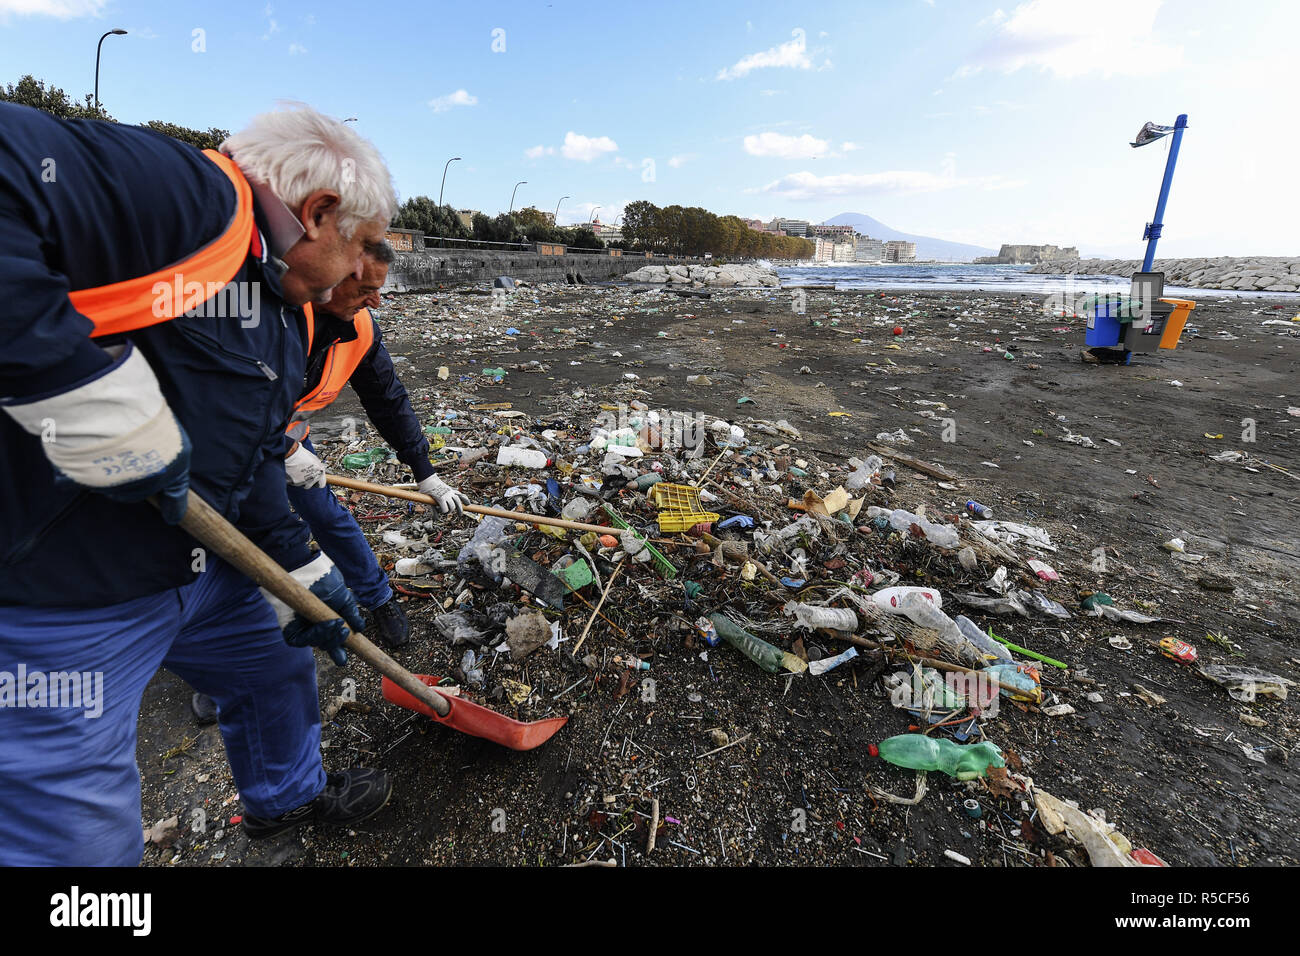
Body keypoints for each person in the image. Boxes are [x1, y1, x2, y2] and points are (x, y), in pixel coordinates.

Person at [0, 101, 397, 865]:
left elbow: (245, 462)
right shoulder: (192, 196)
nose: (365, 278)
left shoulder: (279, 307)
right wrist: (81, 392)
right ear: (318, 213)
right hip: (62, 602)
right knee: (75, 843)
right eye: (363, 251)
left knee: (274, 668)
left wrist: (298, 568)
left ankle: (285, 803)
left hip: (197, 569)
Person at [190, 243, 472, 722]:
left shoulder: (359, 327)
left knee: (324, 514)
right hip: (220, 447)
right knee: (224, 545)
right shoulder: (259, 314)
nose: (377, 301)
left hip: (285, 435)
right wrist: (280, 451)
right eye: (366, 290)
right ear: (328, 278)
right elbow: (212, 401)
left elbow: (387, 397)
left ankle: (378, 598)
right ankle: (222, 666)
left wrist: (424, 472)